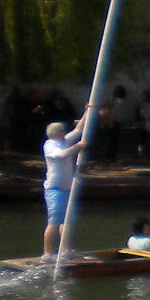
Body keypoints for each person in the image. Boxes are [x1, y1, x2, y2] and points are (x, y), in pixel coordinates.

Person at [41, 107, 92, 257]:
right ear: (57, 134)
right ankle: (48, 254)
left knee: (67, 221)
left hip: (68, 188)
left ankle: (66, 251)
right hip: (54, 189)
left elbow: (79, 129)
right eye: (63, 132)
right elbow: (62, 155)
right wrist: (78, 147)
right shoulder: (50, 145)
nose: (65, 134)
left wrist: (88, 111)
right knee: (54, 221)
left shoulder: (64, 140)